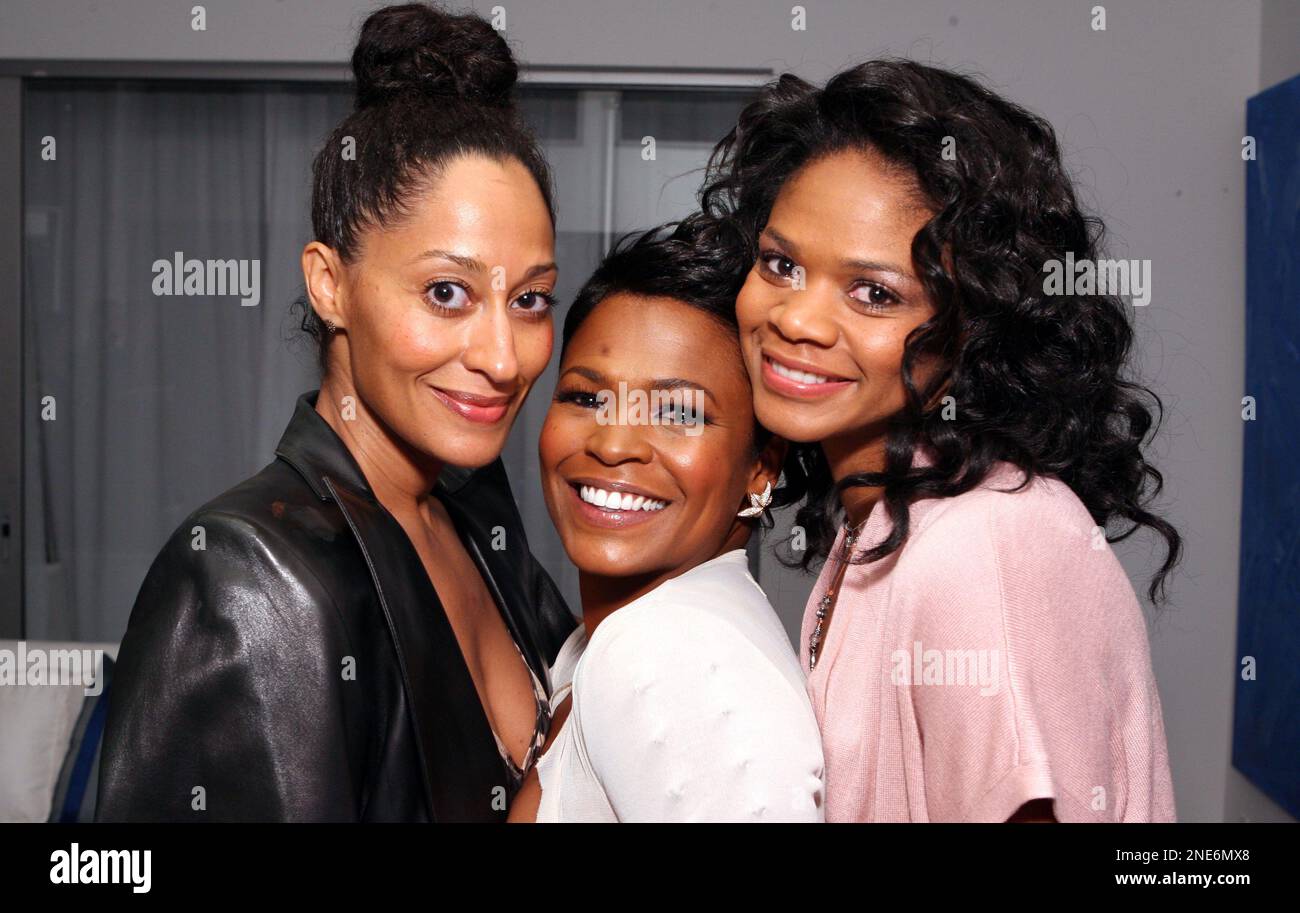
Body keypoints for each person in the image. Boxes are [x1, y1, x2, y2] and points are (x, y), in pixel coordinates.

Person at [96, 2, 574, 822]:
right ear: (329, 283)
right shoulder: (246, 578)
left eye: (530, 298)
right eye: (446, 292)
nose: (504, 356)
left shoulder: (477, 514)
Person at [702, 59, 1180, 822]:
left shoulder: (986, 542)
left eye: (874, 293)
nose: (797, 319)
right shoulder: (886, 514)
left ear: (974, 327)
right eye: (780, 263)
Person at [507, 215, 825, 823]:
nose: (613, 443)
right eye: (587, 397)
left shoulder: (665, 650)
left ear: (762, 467)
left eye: (678, 413)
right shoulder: (621, 637)